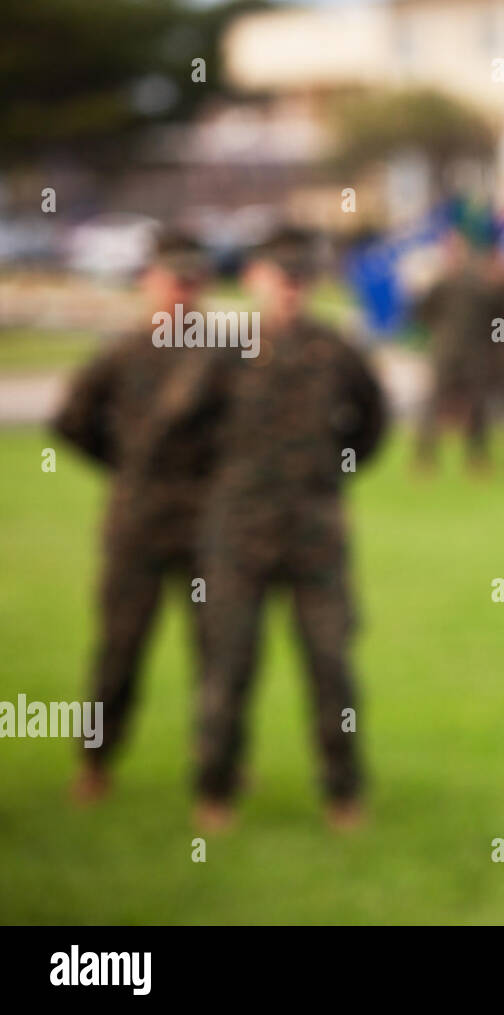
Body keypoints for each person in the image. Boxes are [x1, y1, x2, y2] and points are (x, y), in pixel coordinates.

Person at [176, 228, 387, 831]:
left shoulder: (336, 349)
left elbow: (371, 423)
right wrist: (217, 490)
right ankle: (214, 790)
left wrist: (332, 477)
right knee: (229, 663)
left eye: (301, 278)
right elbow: (182, 426)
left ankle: (344, 793)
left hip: (314, 531)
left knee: (330, 664)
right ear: (255, 279)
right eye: (280, 276)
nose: (291, 288)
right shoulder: (224, 350)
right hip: (237, 532)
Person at [52, 231, 214, 802]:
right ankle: (95, 765)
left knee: (218, 653)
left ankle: (216, 764)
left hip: (205, 527)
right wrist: (122, 466)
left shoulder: (224, 354)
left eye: (192, 283)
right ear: (150, 284)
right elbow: (71, 421)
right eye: (173, 282)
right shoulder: (122, 353)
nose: (182, 294)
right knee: (119, 650)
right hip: (138, 526)